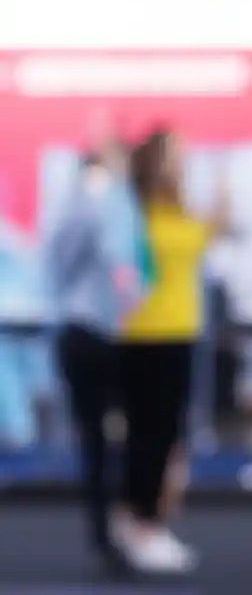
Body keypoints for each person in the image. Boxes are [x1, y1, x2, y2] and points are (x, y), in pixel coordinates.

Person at [116, 129, 227, 574]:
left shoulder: (182, 210)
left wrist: (217, 182)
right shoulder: (134, 211)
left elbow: (214, 226)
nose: (183, 161)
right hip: (143, 334)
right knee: (148, 435)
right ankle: (141, 523)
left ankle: (146, 521)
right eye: (176, 155)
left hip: (179, 333)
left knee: (165, 436)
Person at [46, 144, 148, 572]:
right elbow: (68, 265)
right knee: (100, 438)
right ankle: (111, 531)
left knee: (116, 437)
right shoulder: (94, 209)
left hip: (107, 332)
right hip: (94, 334)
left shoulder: (116, 206)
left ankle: (122, 528)